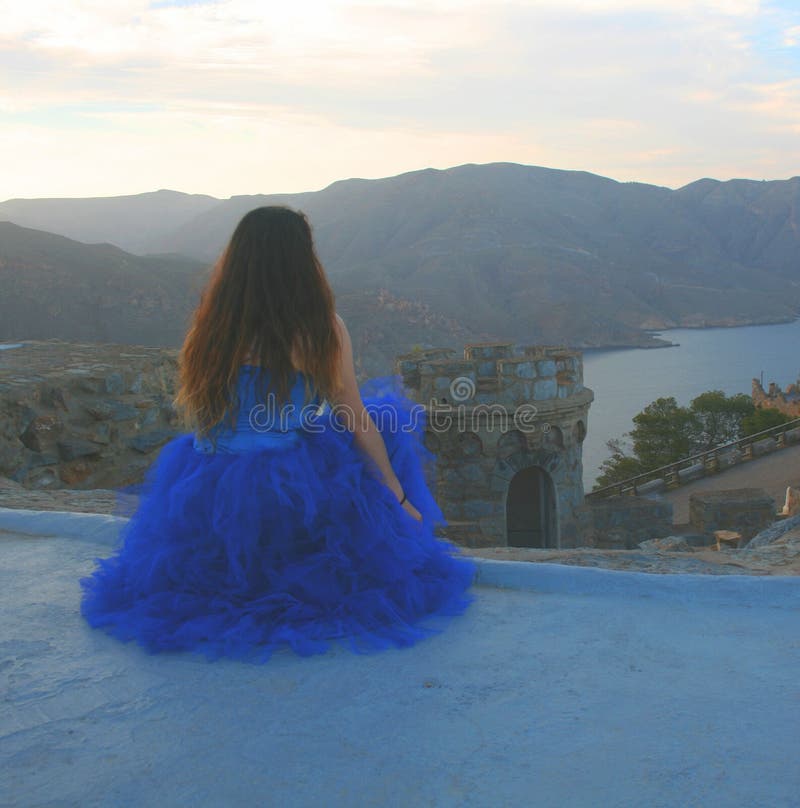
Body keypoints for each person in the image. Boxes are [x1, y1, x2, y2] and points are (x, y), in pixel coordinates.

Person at [79, 205, 475, 662]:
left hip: (207, 482)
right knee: (385, 419)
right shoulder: (319, 330)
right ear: (301, 261)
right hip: (285, 487)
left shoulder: (213, 328)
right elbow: (351, 413)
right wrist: (397, 496)